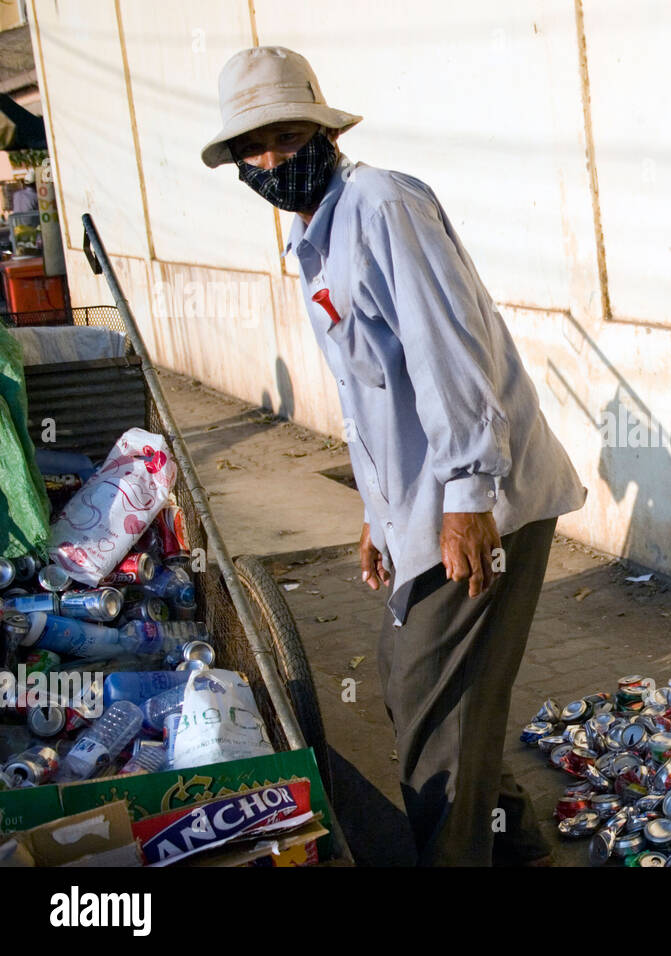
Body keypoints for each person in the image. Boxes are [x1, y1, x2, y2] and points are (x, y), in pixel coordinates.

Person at [202, 46, 587, 866]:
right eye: (252, 148)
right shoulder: (312, 241)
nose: (272, 160)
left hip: (484, 500)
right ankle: (515, 846)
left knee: (433, 713)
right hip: (424, 504)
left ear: (324, 129)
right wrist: (376, 518)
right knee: (426, 689)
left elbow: (451, 351)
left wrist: (469, 496)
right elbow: (365, 394)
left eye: (287, 135)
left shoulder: (379, 205)